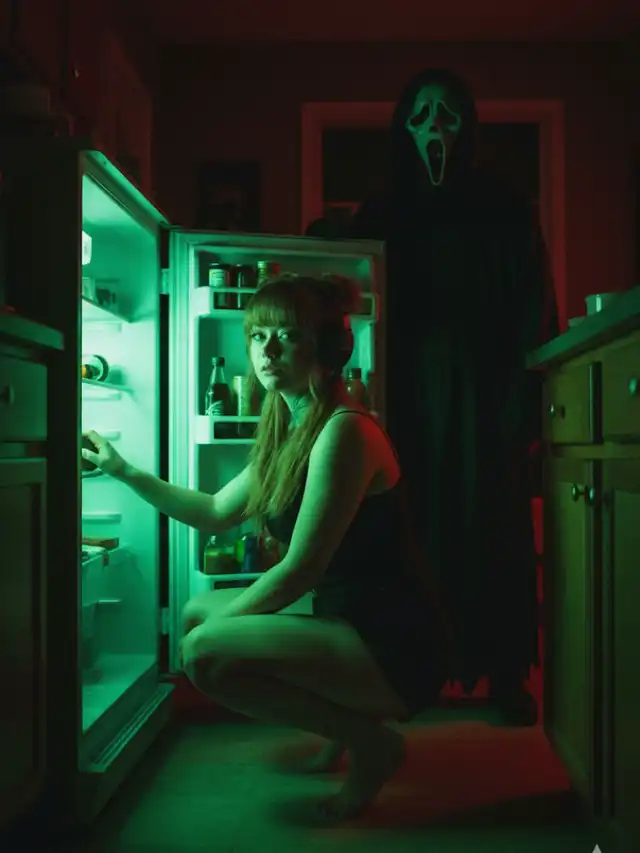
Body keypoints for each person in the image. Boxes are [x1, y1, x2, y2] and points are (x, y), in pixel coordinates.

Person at [82, 273, 449, 822]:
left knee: (204, 650)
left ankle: (371, 743)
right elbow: (214, 511)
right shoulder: (294, 430)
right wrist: (124, 470)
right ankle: (344, 732)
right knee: (195, 612)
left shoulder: (344, 431)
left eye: (288, 335)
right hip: (342, 616)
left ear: (328, 348)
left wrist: (219, 629)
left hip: (391, 641)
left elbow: (301, 569)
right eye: (258, 336)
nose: (267, 351)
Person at [350, 68, 559, 724]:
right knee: (411, 530)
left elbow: (534, 309)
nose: (435, 127)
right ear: (404, 127)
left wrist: (522, 403)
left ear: (468, 125)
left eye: (447, 113)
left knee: (491, 527)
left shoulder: (506, 208)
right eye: (421, 114)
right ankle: (412, 671)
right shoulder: (383, 213)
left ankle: (504, 671)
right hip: (405, 397)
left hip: (485, 393)